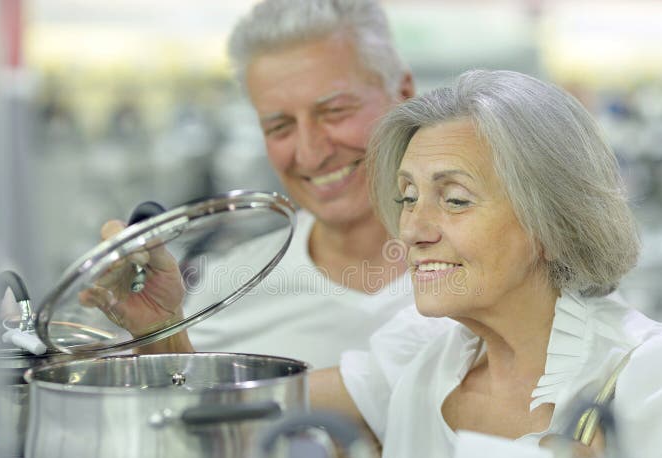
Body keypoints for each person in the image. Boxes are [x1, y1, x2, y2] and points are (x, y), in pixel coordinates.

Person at [310, 69, 662, 458]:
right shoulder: (426, 367)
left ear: (553, 224)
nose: (412, 230)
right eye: (408, 198)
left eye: (455, 200)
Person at [90, 0, 444, 368]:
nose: (310, 155)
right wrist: (161, 333)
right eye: (280, 127)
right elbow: (183, 393)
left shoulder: (475, 269)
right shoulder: (230, 289)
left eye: (335, 111)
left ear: (403, 94)